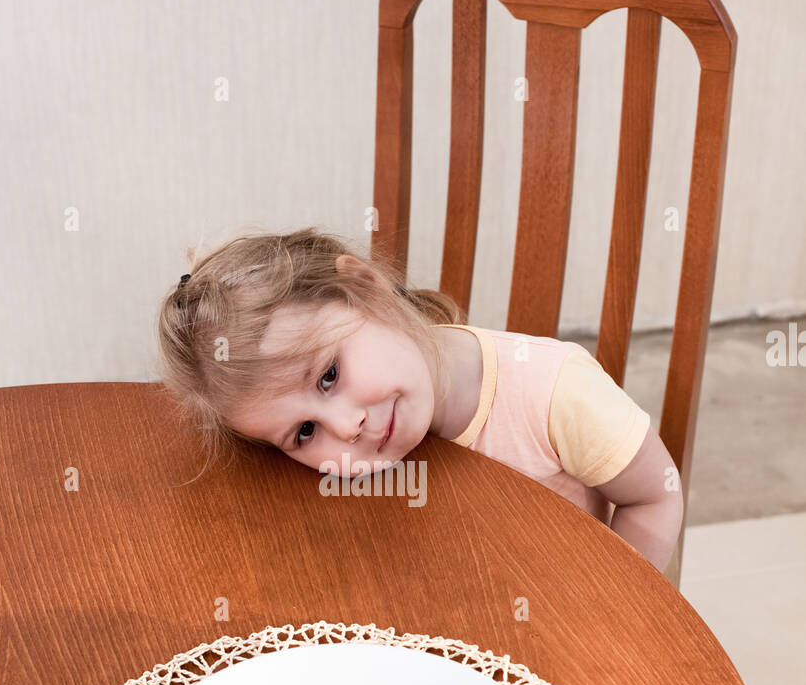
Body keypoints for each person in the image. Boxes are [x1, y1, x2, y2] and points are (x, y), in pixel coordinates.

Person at [157, 226, 683, 574]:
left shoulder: (557, 391)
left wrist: (607, 616)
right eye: (303, 433)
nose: (347, 428)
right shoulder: (375, 431)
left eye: (328, 376)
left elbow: (654, 494)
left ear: (365, 289)